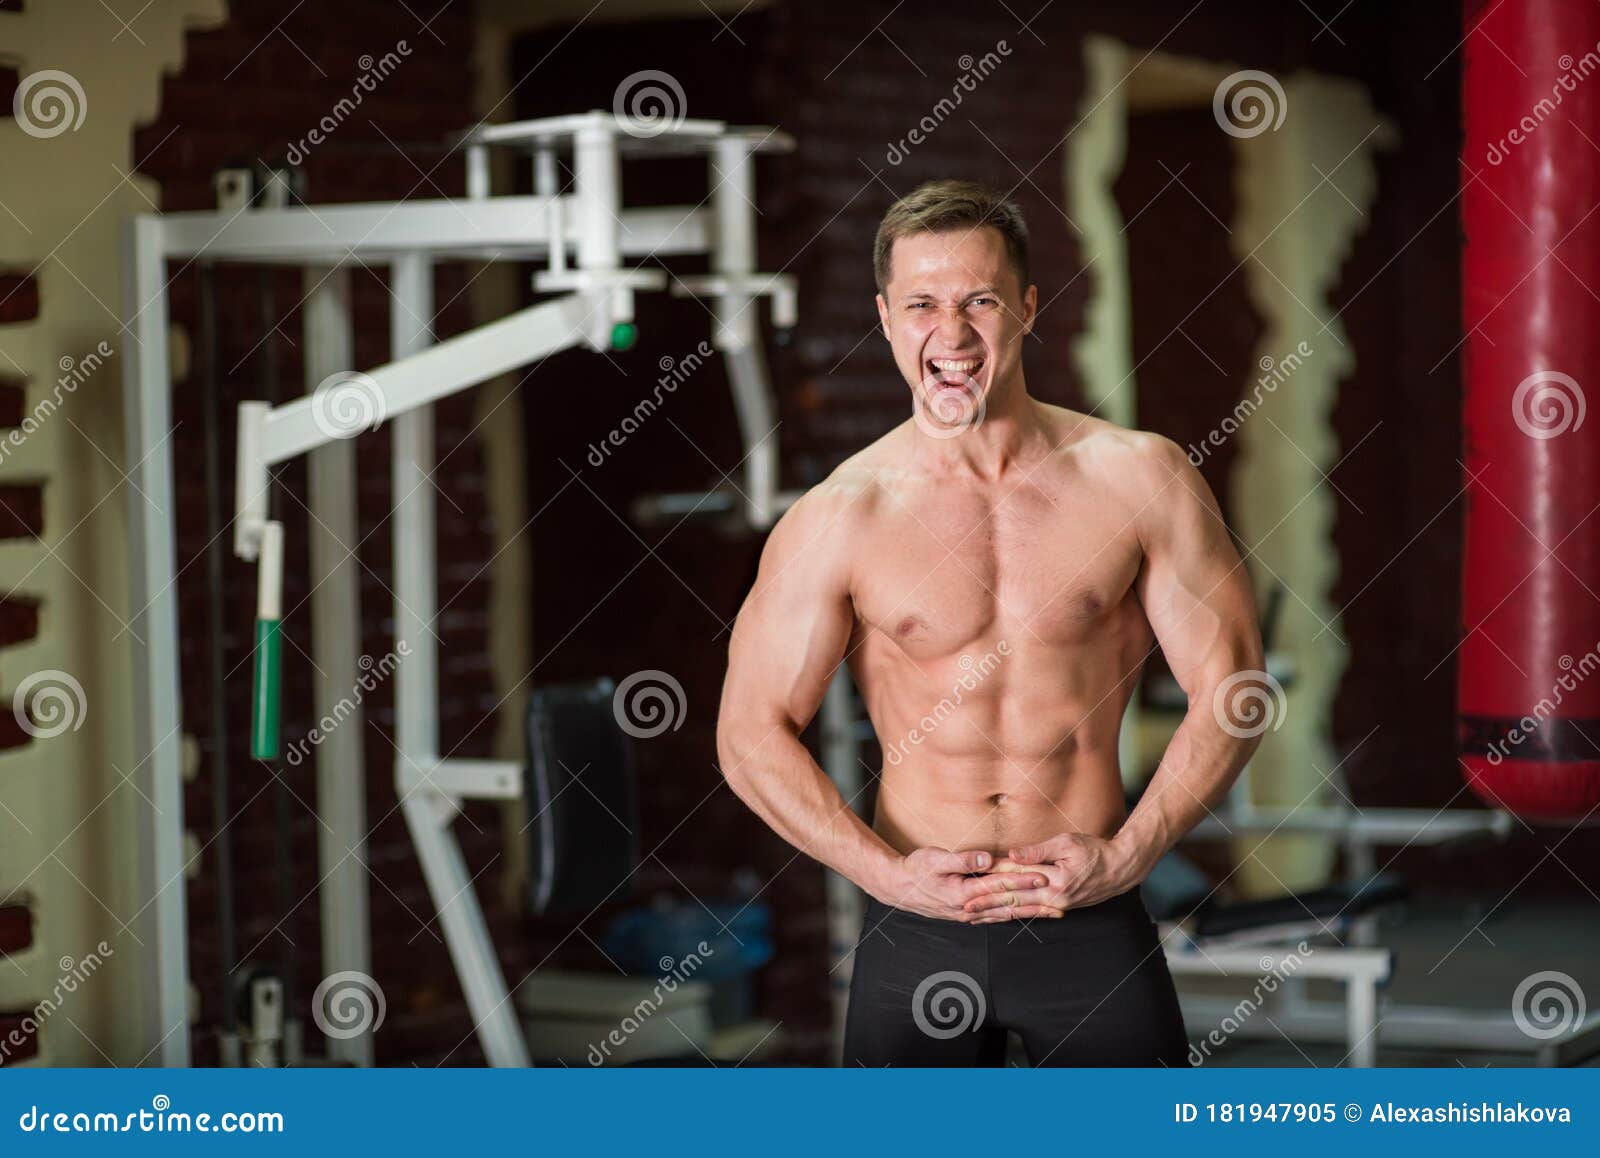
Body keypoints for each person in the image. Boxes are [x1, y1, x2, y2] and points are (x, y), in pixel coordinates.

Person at [715, 179, 1265, 1066]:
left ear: (1028, 308)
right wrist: (881, 873)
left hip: (1090, 921)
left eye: (980, 300)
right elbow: (748, 735)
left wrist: (1132, 855)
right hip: (917, 922)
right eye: (924, 304)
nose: (954, 333)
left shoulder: (1139, 479)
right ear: (888, 319)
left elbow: (1234, 690)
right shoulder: (839, 514)